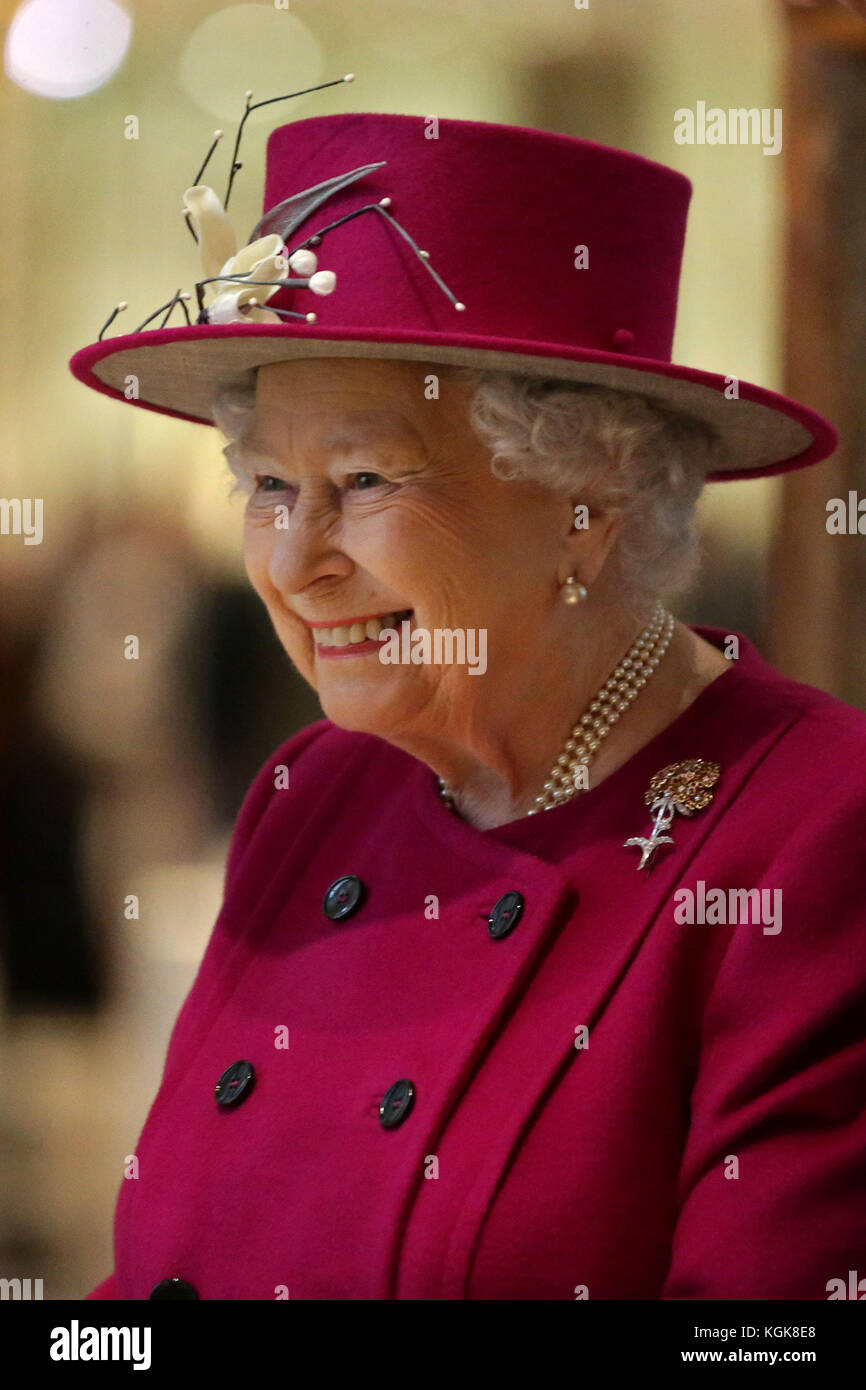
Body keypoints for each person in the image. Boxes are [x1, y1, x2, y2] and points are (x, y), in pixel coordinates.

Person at [70, 106, 866, 1300]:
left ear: (585, 503)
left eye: (362, 480)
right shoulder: (315, 792)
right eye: (270, 485)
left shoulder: (812, 827)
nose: (294, 560)